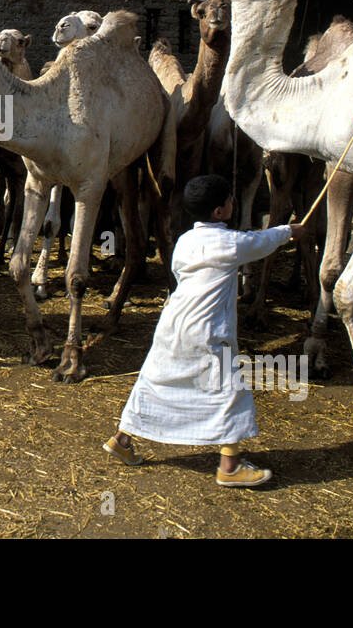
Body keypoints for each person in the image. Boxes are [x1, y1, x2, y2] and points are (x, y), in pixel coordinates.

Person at [103, 173, 303, 487]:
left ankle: (122, 439)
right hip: (208, 330)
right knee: (229, 392)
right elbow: (262, 242)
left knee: (154, 381)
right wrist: (289, 231)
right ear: (219, 212)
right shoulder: (231, 244)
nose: (233, 203)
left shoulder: (184, 241)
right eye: (230, 199)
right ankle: (230, 466)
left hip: (172, 324)